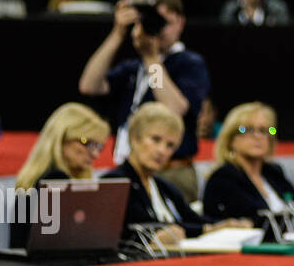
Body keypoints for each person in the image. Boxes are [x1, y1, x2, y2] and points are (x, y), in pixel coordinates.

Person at [77, 0, 209, 201]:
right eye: (151, 22)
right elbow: (89, 85)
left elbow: (173, 109)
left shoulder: (188, 63)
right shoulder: (135, 67)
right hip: (131, 169)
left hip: (170, 172)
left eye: (164, 22)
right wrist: (118, 33)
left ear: (180, 23)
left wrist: (151, 58)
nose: (158, 30)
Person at [103, 102, 249, 246]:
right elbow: (141, 227)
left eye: (170, 145)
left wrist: (228, 224)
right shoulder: (115, 182)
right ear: (135, 138)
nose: (162, 150)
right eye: (156, 139)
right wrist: (209, 229)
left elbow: (194, 219)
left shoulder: (163, 186)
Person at [9, 102, 108, 247]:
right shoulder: (54, 179)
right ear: (61, 138)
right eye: (87, 142)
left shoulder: (38, 178)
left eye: (98, 146)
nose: (95, 154)